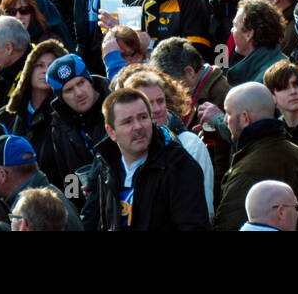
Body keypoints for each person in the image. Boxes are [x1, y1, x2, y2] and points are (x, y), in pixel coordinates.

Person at [81, 87, 211, 231]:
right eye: (127, 122)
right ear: (111, 132)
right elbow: (90, 219)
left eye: (143, 117)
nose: (138, 126)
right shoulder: (105, 164)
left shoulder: (179, 166)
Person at [213, 82, 298, 231]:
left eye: (228, 113)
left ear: (245, 117)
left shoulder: (247, 170)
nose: (225, 119)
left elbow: (228, 225)